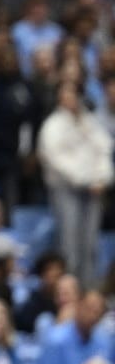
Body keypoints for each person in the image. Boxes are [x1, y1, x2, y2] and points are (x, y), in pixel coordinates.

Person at [36, 82, 114, 284]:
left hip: (94, 189)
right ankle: (70, 288)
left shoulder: (89, 121)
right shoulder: (52, 125)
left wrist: (102, 178)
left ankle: (89, 288)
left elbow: (104, 150)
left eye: (73, 94)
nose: (70, 98)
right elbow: (56, 159)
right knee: (70, 242)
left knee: (90, 243)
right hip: (67, 189)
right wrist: (86, 180)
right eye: (65, 94)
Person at [30, 289, 113, 364]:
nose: (92, 316)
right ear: (78, 306)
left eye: (97, 312)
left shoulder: (104, 341)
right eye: (89, 309)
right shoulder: (55, 340)